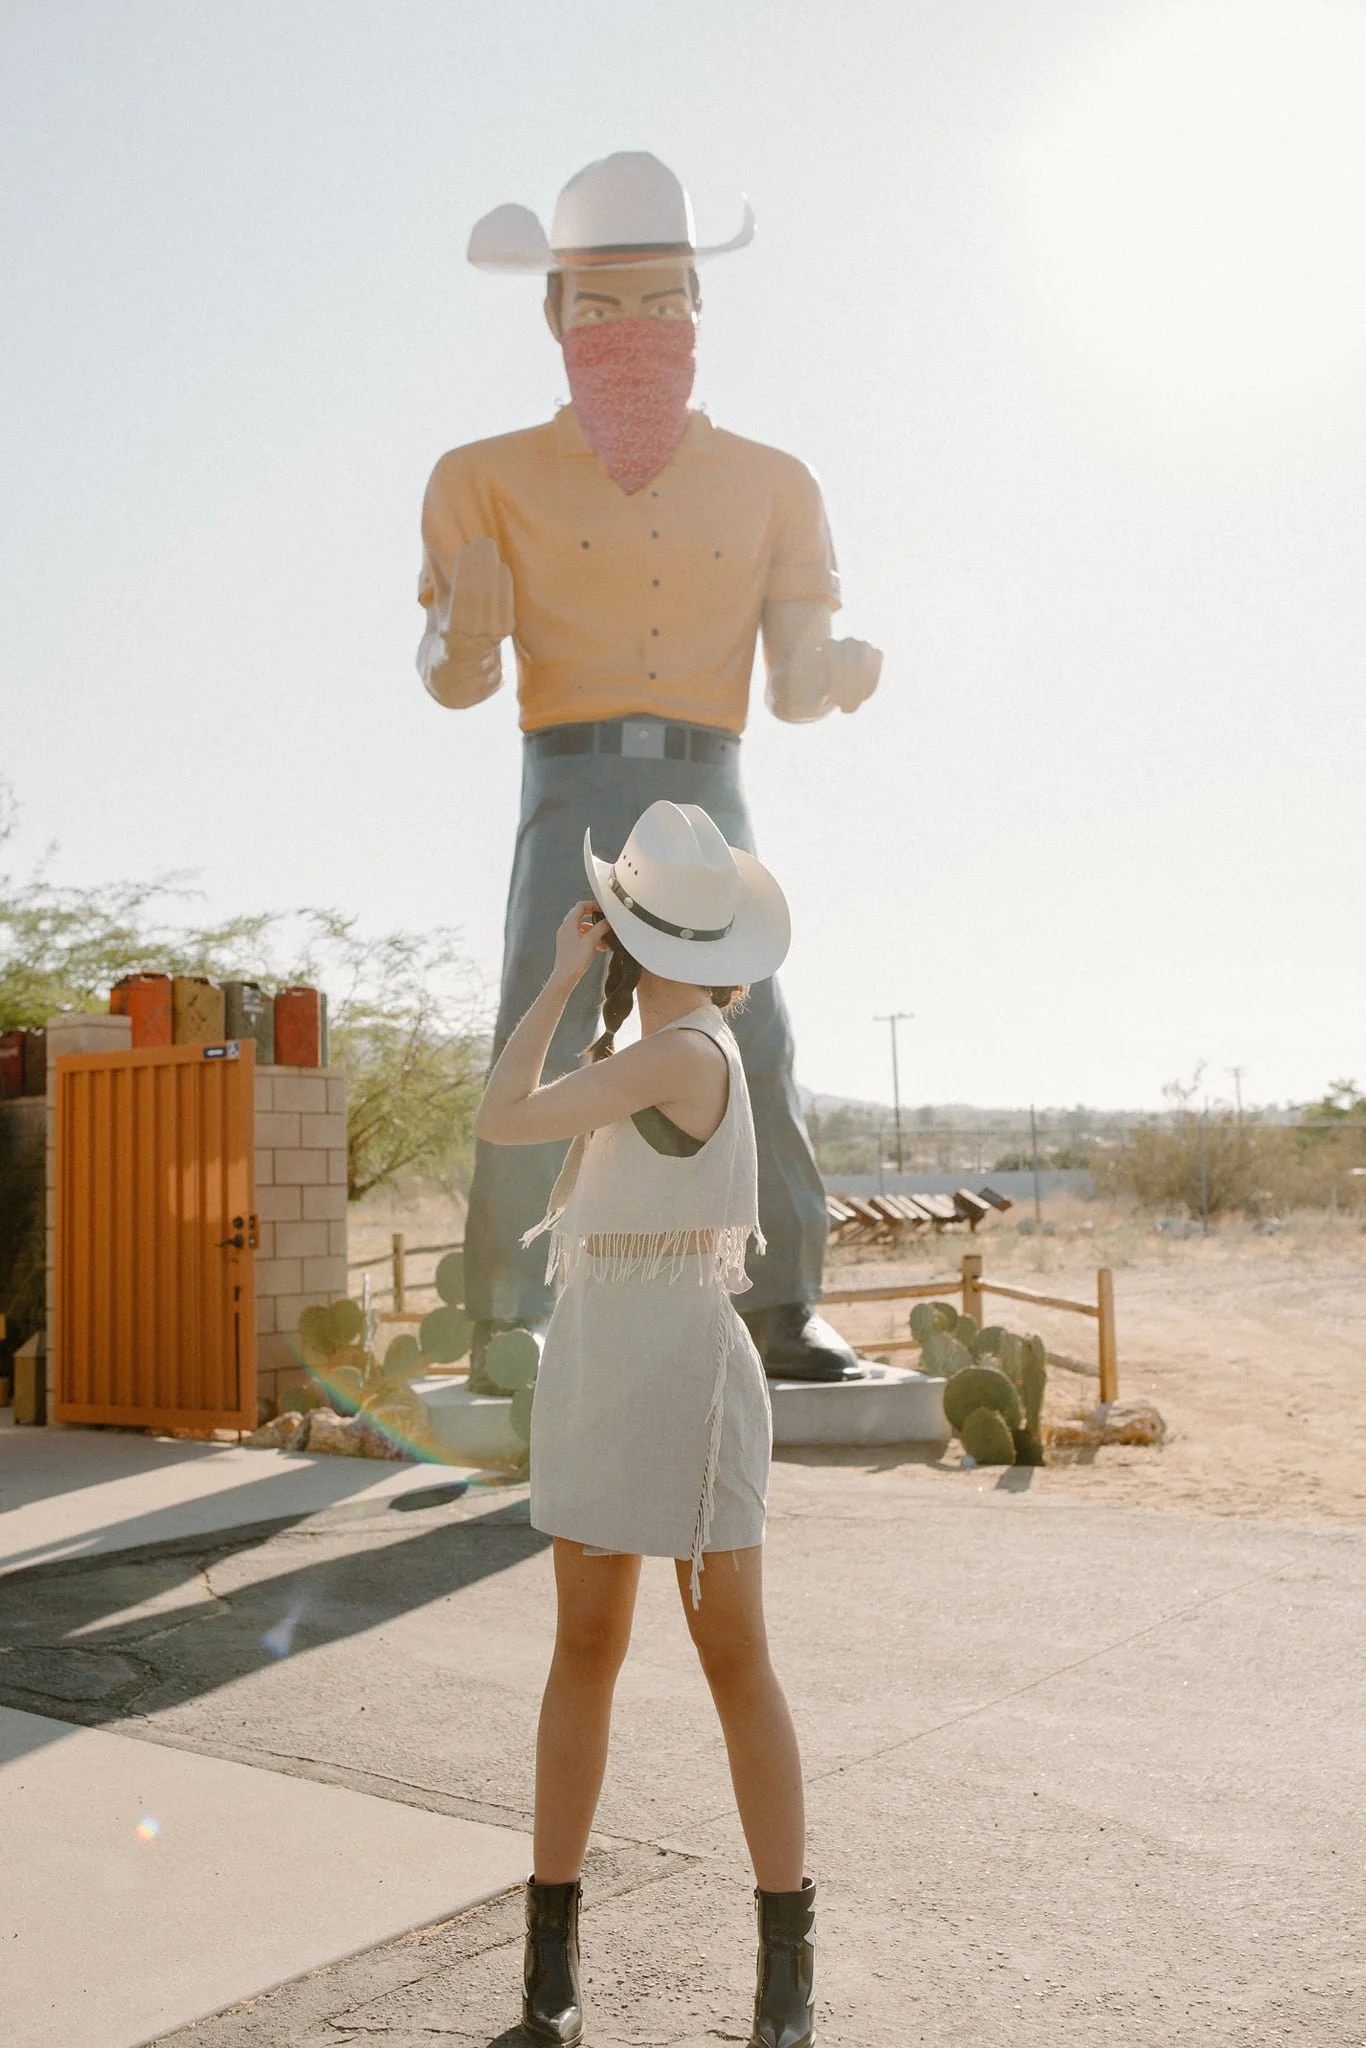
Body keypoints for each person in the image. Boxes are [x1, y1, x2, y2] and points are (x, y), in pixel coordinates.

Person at [421, 150, 883, 1385]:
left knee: (758, 1031)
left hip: (708, 784)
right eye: (598, 302)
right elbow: (453, 677)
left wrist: (831, 671)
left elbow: (792, 683)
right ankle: (505, 1317)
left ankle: (784, 1304)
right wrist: (463, 635)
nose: (630, 326)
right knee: (545, 1013)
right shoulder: (479, 477)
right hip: (564, 774)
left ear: (697, 305)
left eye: (657, 298)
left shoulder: (777, 483)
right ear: (554, 315)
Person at [475, 799, 817, 2048]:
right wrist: (585, 982)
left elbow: (504, 1112)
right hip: (601, 1358)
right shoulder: (658, 1040)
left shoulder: (683, 1053)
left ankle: (785, 1969)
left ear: (633, 931)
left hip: (681, 1370)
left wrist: (559, 974)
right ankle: (548, 1963)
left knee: (734, 1659)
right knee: (585, 1652)